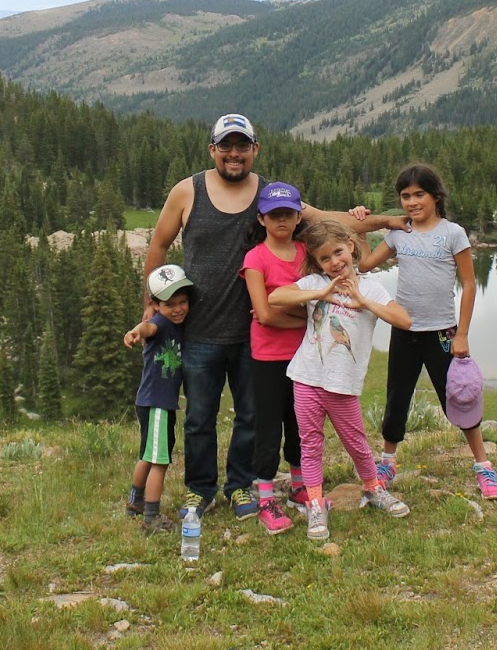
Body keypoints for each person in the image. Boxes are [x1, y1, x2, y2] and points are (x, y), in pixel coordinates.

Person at [143, 113, 395, 522]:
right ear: (213, 150)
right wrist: (150, 304)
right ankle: (199, 490)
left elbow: (329, 222)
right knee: (199, 418)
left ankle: (241, 486)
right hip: (200, 331)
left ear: (255, 150)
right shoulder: (186, 192)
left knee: (251, 418)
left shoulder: (268, 195)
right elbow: (158, 245)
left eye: (242, 145)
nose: (234, 153)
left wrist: (389, 222)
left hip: (252, 335)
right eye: (226, 145)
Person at [359, 163, 497, 500]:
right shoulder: (399, 234)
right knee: (397, 396)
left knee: (459, 397)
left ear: (435, 196)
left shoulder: (453, 233)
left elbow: (469, 285)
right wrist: (362, 227)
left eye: (418, 194)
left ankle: (484, 466)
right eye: (405, 196)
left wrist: (462, 334)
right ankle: (387, 462)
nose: (411, 202)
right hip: (404, 330)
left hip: (442, 332)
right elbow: (365, 265)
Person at [270, 217, 414, 542]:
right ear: (317, 262)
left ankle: (373, 488)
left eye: (338, 252)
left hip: (343, 384)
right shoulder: (312, 284)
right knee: (310, 444)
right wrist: (322, 291)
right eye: (324, 258)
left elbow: (404, 320)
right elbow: (275, 298)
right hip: (307, 378)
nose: (334, 262)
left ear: (351, 246)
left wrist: (364, 302)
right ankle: (316, 504)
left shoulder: (372, 288)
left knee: (357, 443)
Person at [240, 181, 310, 535]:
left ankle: (299, 486)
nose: (281, 220)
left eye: (288, 213)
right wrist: (304, 318)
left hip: (305, 357)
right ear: (262, 218)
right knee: (268, 425)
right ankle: (266, 496)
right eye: (274, 214)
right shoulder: (256, 258)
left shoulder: (306, 253)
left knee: (299, 422)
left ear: (299, 216)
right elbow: (264, 315)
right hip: (268, 356)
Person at [122, 263, 193, 534]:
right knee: (160, 460)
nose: (178, 309)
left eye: (183, 302)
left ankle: (135, 502)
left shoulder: (177, 321)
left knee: (148, 456)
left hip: (153, 401)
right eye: (169, 303)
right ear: (155, 304)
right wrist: (136, 331)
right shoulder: (160, 323)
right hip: (157, 403)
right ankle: (151, 517)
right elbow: (147, 328)